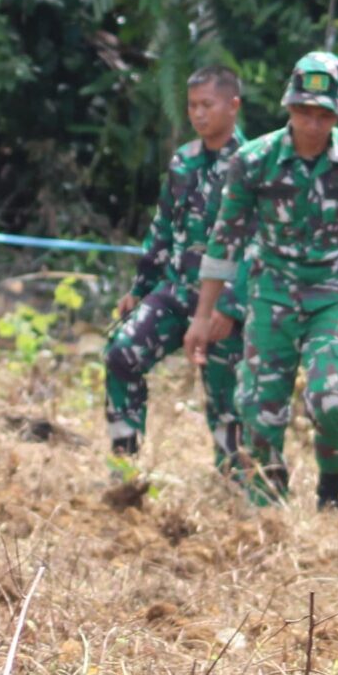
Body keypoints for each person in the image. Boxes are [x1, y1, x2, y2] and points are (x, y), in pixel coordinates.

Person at [187, 52, 338, 508]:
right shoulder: (255, 160)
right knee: (258, 411)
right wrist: (203, 315)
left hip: (331, 297)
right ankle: (268, 503)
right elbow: (225, 240)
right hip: (270, 294)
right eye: (304, 111)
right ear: (289, 107)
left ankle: (332, 487)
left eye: (323, 114)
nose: (312, 122)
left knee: (330, 399)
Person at [104, 65, 250, 474]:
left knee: (226, 397)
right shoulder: (183, 162)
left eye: (208, 105)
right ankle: (124, 467)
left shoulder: (254, 163)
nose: (199, 114)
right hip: (177, 291)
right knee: (121, 353)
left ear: (233, 106)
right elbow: (163, 229)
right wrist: (140, 287)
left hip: (227, 302)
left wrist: (231, 306)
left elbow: (260, 245)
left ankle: (232, 480)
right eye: (192, 106)